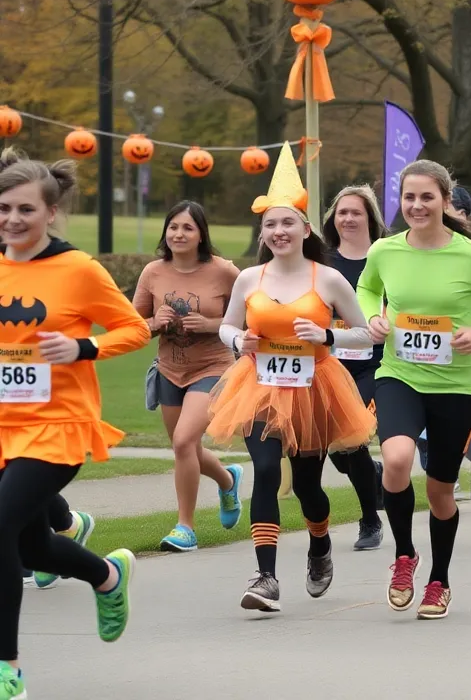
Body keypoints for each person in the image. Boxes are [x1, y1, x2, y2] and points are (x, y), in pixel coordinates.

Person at [359, 160, 471, 620]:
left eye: (427, 197)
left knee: (440, 490)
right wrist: (373, 317)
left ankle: (438, 580)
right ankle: (405, 557)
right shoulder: (385, 250)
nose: (416, 206)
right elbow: (366, 286)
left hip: (456, 386)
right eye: (409, 197)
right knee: (396, 460)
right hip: (399, 374)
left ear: (445, 200)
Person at [0, 148, 148, 699]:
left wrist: (81, 346)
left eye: (25, 210)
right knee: (33, 547)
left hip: (58, 423)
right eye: (4, 208)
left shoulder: (78, 269)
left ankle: (6, 667)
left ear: (51, 212)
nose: (12, 220)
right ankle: (106, 576)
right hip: (4, 424)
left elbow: (133, 328)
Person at [207, 145, 377, 612]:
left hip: (314, 389)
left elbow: (364, 336)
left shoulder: (329, 280)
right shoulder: (249, 278)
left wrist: (325, 334)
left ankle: (319, 543)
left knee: (307, 486)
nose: (279, 232)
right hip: (258, 386)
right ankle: (265, 577)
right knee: (264, 471)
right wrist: (236, 340)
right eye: (270, 225)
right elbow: (227, 324)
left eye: (287, 223)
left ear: (305, 228)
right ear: (262, 233)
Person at [134, 201, 243, 552]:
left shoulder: (225, 271)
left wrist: (212, 324)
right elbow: (134, 327)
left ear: (201, 235)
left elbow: (250, 319)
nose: (179, 234)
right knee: (187, 447)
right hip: (169, 369)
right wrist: (155, 323)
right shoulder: (152, 272)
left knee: (182, 442)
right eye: (173, 227)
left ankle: (185, 528)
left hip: (213, 368)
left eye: (187, 228)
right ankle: (228, 479)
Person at [413, 185, 471, 507]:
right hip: (420, 356)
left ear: (464, 216)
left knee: (453, 432)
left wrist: (461, 306)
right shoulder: (412, 250)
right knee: (427, 431)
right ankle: (442, 485)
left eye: (448, 212)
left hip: (470, 357)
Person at [320, 186, 388, 551]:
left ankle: (370, 520)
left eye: (356, 213)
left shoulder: (385, 257)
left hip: (372, 367)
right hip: (329, 365)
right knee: (339, 452)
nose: (347, 219)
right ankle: (371, 474)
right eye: (341, 212)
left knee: (352, 436)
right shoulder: (323, 262)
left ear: (370, 218)